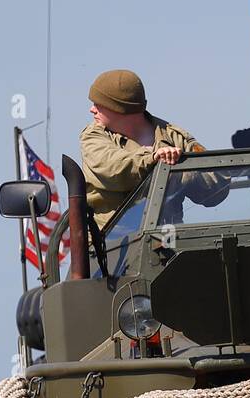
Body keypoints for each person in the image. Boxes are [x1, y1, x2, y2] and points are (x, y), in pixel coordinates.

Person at [77, 69, 227, 265]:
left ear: (119, 108)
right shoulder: (94, 137)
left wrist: (181, 172)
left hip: (167, 245)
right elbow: (115, 169)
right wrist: (154, 160)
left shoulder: (172, 136)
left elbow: (217, 185)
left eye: (98, 104)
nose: (92, 109)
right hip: (110, 253)